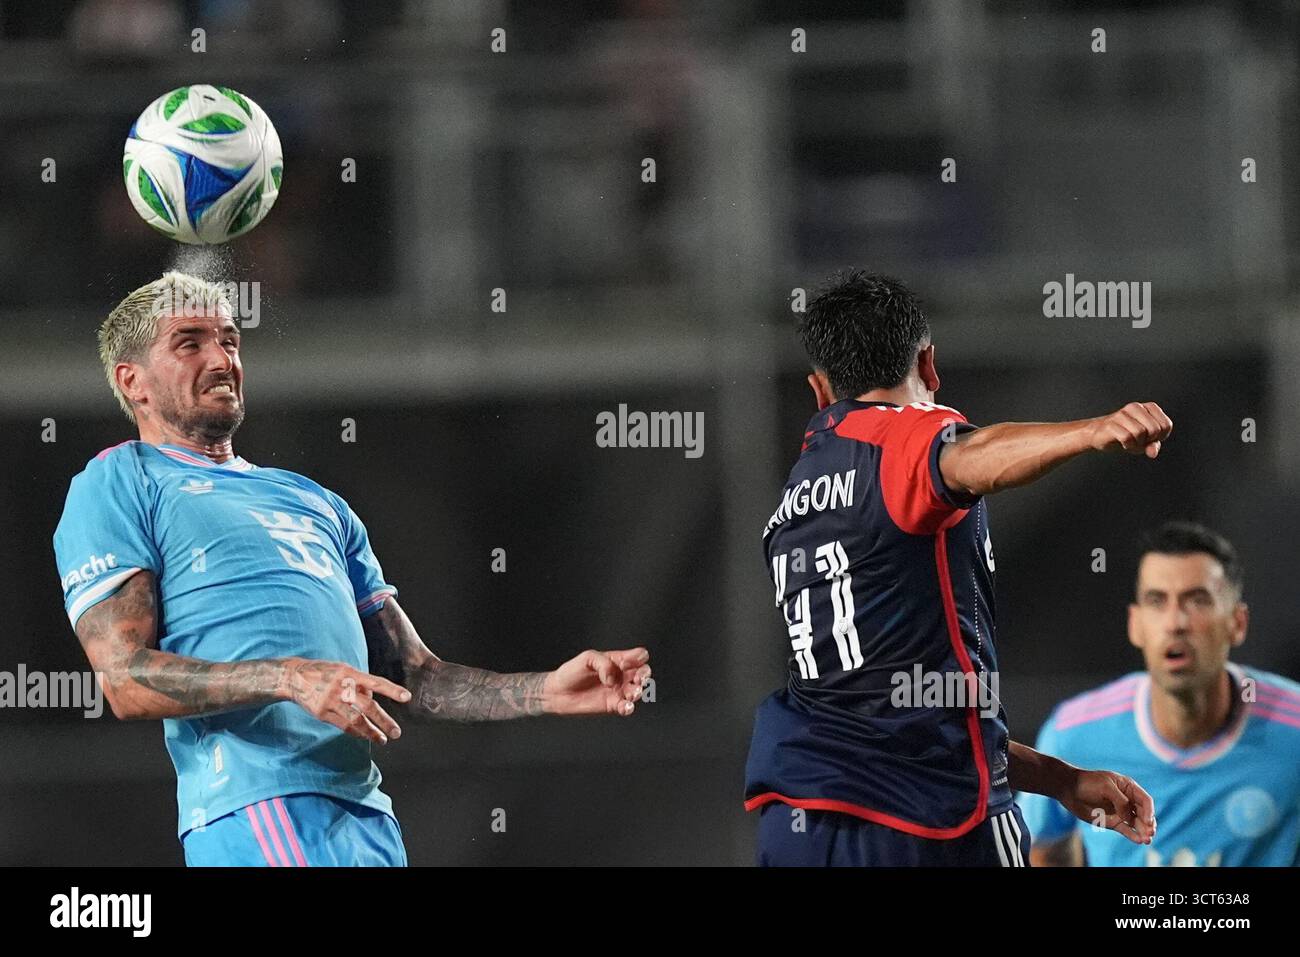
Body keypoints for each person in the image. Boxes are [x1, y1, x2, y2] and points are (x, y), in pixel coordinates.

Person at [53, 271, 652, 866]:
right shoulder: (120, 480)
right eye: (189, 343)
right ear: (132, 381)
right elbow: (124, 679)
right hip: (261, 804)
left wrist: (544, 691)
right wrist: (289, 677)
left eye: (229, 340)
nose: (221, 359)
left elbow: (412, 674)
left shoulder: (315, 502)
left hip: (364, 812)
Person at [744, 270, 1165, 866]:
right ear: (929, 364)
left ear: (819, 390)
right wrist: (1091, 432)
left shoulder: (794, 503)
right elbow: (968, 458)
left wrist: (1061, 780)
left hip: (800, 827)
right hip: (926, 827)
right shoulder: (901, 441)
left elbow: (893, 714)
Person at [1022, 521, 1300, 866]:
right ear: (1135, 624)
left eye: (1197, 601)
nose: (1175, 623)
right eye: (1157, 601)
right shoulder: (1073, 734)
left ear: (1237, 623)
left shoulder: (1293, 731)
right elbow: (1036, 848)